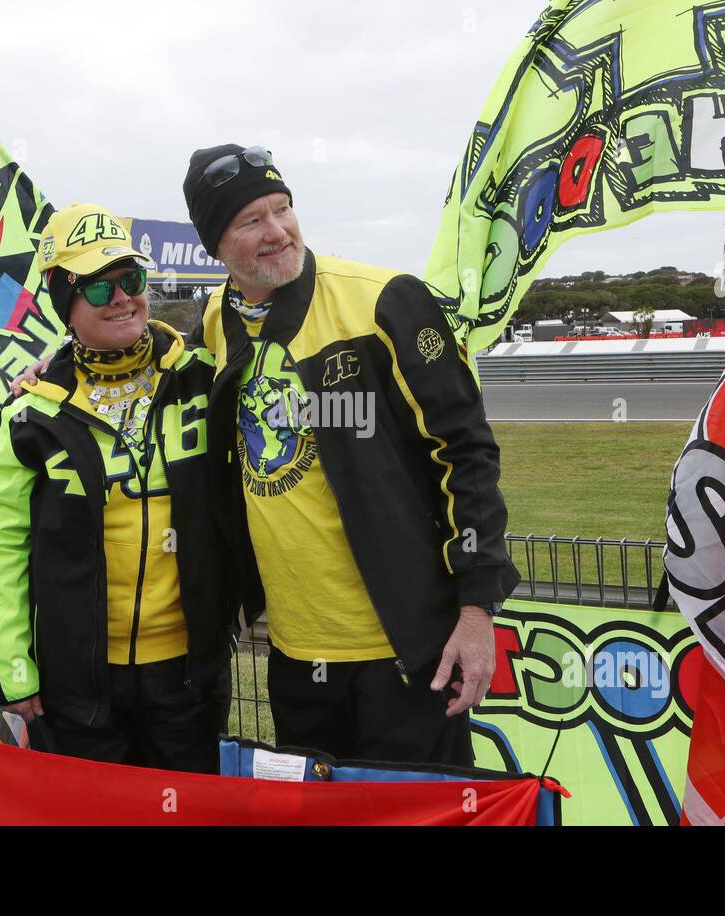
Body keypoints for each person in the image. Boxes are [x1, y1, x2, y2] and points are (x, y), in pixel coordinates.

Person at [182, 144, 519, 767]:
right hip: (294, 654)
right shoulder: (215, 320)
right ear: (216, 244)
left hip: (407, 650)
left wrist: (477, 609)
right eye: (251, 221)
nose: (277, 231)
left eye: (282, 209)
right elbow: (159, 374)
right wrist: (58, 364)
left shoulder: (385, 300)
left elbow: (466, 451)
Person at [0, 203, 232, 773]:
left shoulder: (203, 375)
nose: (121, 298)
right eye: (97, 289)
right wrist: (13, 670)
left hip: (188, 678)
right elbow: (3, 550)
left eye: (131, 280)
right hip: (78, 684)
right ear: (65, 303)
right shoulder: (29, 415)